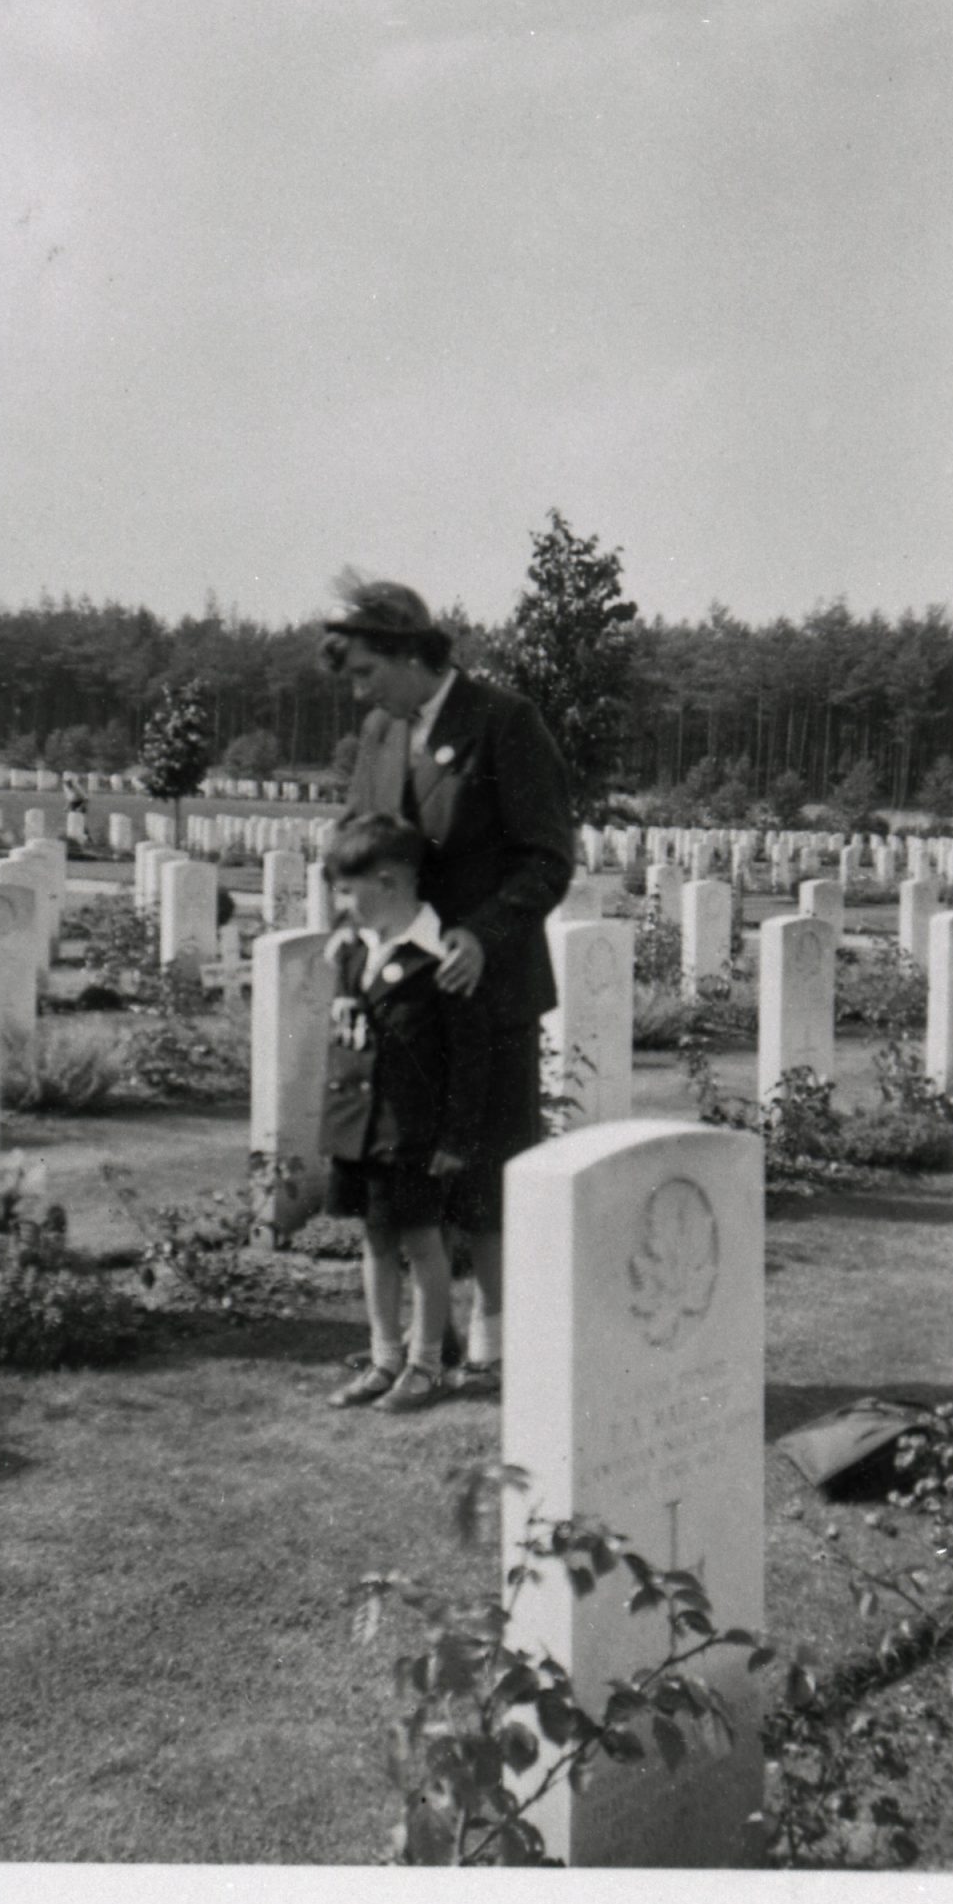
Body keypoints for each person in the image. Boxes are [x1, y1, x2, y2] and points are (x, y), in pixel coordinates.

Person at [322, 576, 575, 1399]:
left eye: (366, 671)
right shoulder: (378, 732)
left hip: (484, 984)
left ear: (406, 653)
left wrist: (483, 933)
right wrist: (351, 935)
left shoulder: (503, 722)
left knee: (487, 1172)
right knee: (403, 1169)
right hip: (399, 999)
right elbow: (361, 845)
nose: (359, 692)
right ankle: (406, 1349)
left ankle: (495, 1344)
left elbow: (546, 856)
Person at [318, 815, 492, 1413]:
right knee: (374, 1240)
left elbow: (468, 1062)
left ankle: (426, 1364)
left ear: (389, 883)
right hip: (359, 1126)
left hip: (414, 1132)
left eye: (346, 890)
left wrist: (456, 1136)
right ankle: (383, 1357)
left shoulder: (440, 959)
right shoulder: (352, 950)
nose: (338, 904)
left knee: (422, 1243)